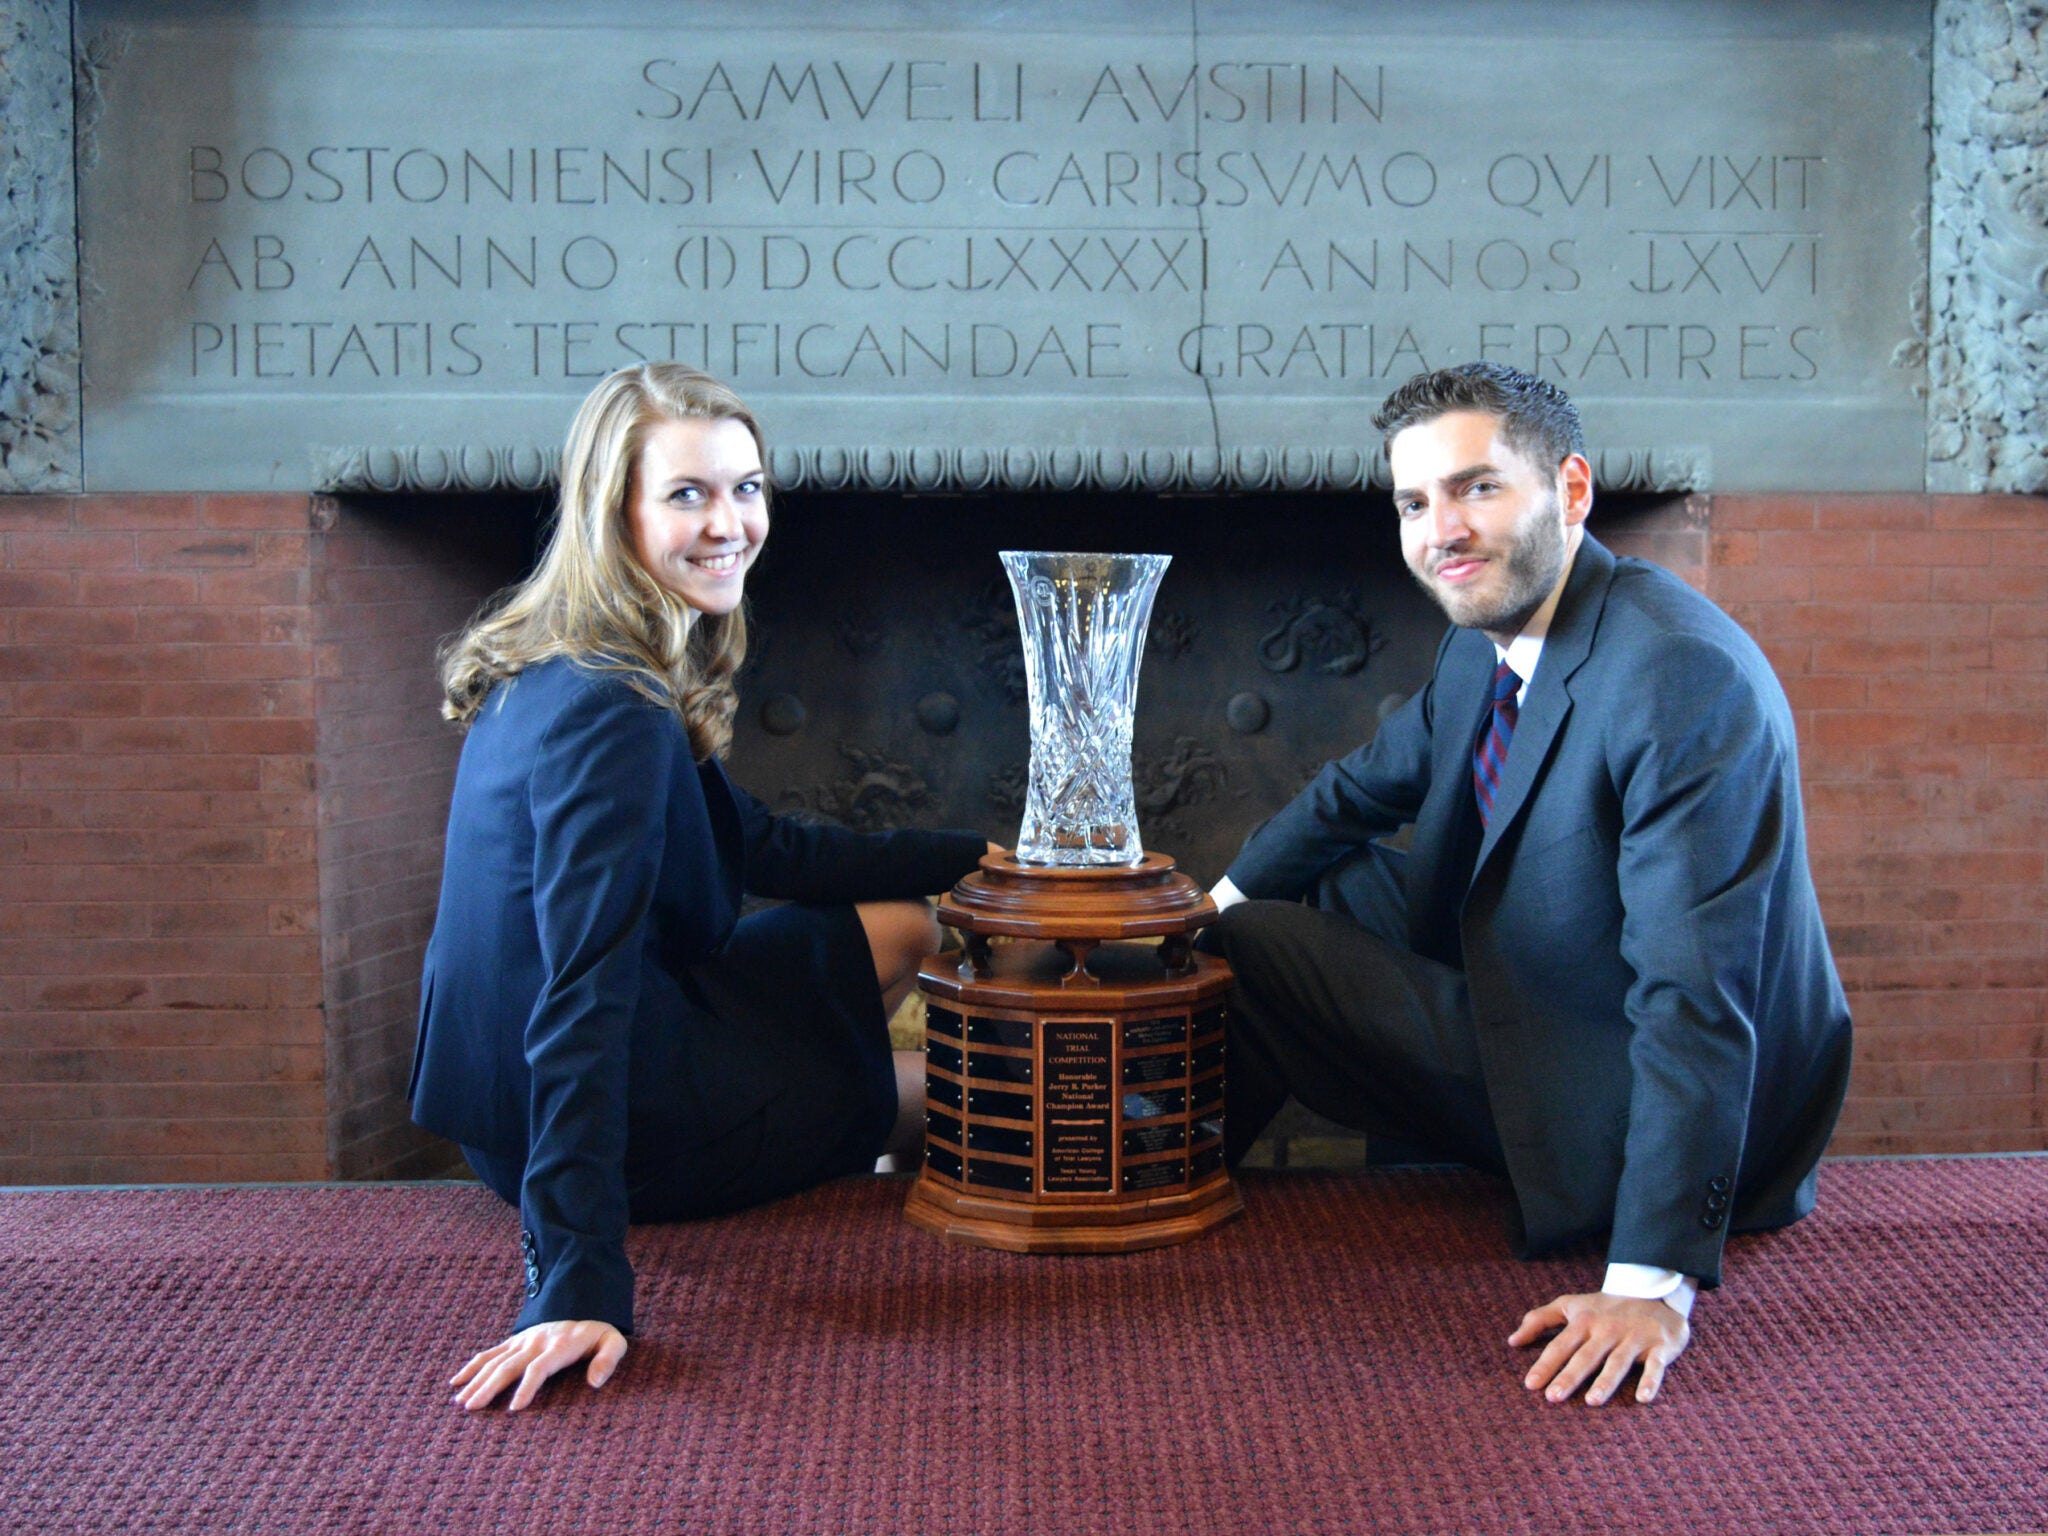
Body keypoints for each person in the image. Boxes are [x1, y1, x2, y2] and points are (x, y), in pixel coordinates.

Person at [1208, 361, 1852, 1407]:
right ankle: (1176, 1165)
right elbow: (1354, 794)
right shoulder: (1494, 636)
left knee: (1260, 950)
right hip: (1563, 977)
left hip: (1628, 1080)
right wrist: (1192, 919)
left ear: (1570, 489)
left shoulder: (1675, 676)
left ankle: (1169, 1168)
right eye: (1414, 504)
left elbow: (1698, 993)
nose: (1442, 531)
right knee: (1300, 890)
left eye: (1477, 488)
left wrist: (1650, 1283)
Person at [409, 363, 990, 1413]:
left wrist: (987, 856)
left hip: (505, 1107)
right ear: (614, 512)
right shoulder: (615, 713)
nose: (730, 524)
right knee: (962, 1095)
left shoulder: (569, 660)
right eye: (688, 494)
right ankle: (884, 1120)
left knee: (908, 926)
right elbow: (581, 991)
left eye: (746, 488)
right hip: (623, 1126)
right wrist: (575, 1278)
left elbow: (760, 846)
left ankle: (833, 1101)